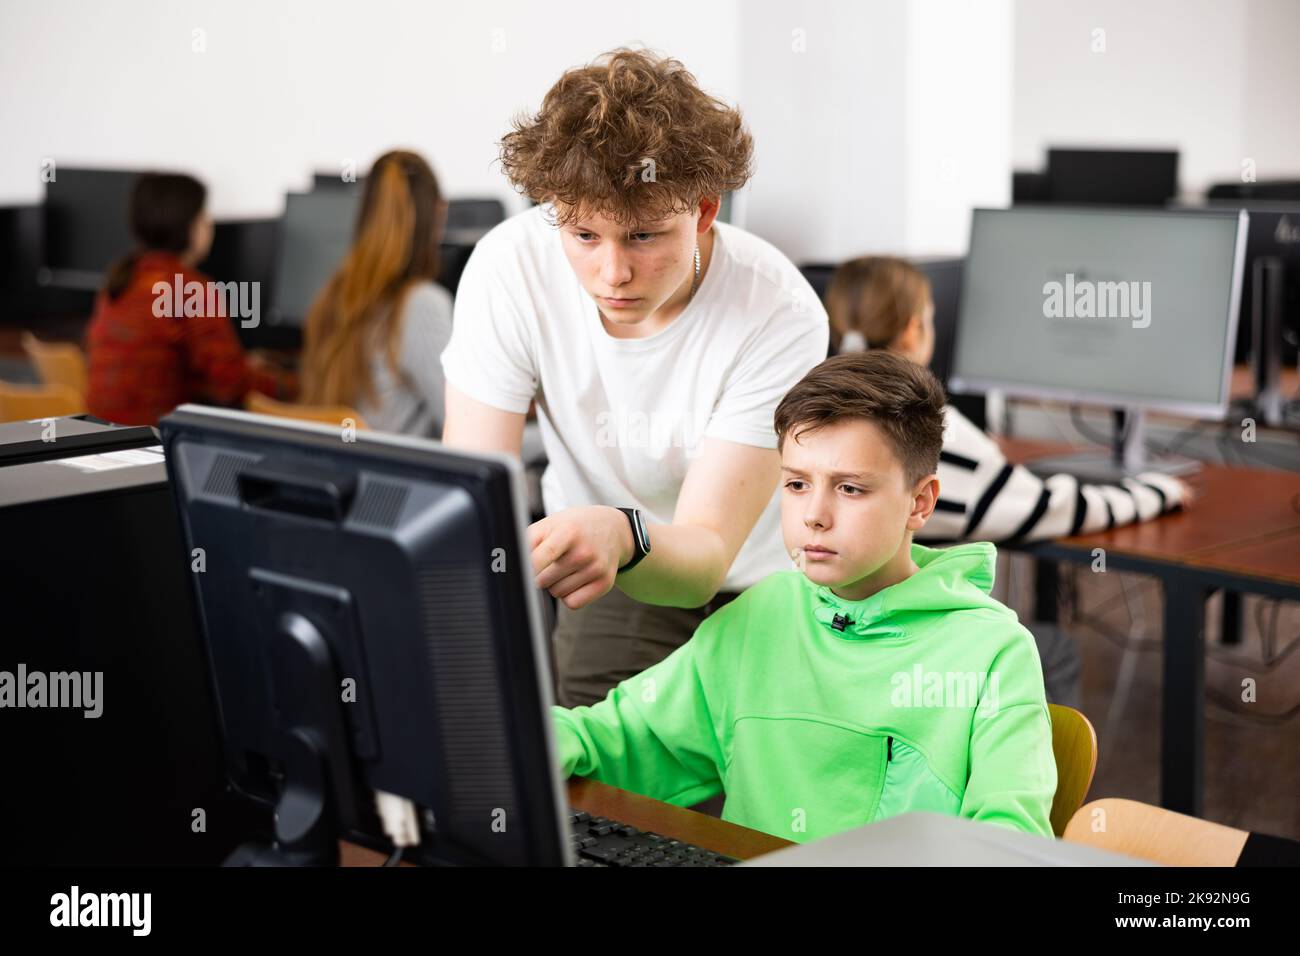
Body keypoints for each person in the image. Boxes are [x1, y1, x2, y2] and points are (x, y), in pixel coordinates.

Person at [439, 49, 829, 707]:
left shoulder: (778, 313)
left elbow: (704, 558)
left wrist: (622, 533)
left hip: (756, 577)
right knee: (597, 787)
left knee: (744, 800)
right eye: (584, 235)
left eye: (644, 238)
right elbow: (471, 494)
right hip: (611, 576)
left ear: (705, 212)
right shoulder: (509, 269)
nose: (612, 273)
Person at [552, 350, 1057, 843]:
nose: (814, 514)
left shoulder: (994, 653)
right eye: (796, 483)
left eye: (850, 489)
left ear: (919, 502)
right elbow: (618, 739)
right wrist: (515, 740)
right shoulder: (758, 615)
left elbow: (1009, 843)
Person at [826, 256, 1192, 707]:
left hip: (822, 633)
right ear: (913, 329)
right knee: (1049, 652)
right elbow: (1051, 510)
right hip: (885, 647)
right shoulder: (933, 429)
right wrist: (1156, 492)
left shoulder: (806, 406)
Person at [86, 172, 291, 426]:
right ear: (190, 227)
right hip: (152, 443)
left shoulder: (120, 279)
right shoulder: (188, 289)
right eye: (204, 215)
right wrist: (288, 384)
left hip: (104, 436)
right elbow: (232, 385)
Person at [301, 150, 454, 438]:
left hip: (340, 475)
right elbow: (468, 430)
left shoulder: (331, 295)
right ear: (438, 212)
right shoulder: (421, 305)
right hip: (400, 479)